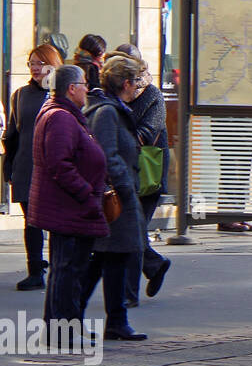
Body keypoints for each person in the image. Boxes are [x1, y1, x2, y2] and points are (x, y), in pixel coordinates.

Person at [28, 65, 107, 348]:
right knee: (67, 270)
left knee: (68, 269)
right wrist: (86, 193)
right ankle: (61, 331)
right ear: (72, 88)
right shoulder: (61, 117)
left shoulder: (64, 114)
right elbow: (59, 164)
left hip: (71, 207)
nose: (88, 89)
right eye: (84, 84)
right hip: (69, 207)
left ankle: (63, 328)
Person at [82, 55, 148, 341]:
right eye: (136, 81)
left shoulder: (110, 108)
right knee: (112, 258)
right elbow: (107, 154)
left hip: (116, 194)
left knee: (107, 259)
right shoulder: (108, 111)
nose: (138, 87)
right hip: (116, 197)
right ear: (125, 83)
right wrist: (124, 185)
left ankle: (110, 320)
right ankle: (111, 320)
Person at [107, 44, 170, 304]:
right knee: (132, 231)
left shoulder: (152, 95)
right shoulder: (114, 94)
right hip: (122, 171)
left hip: (147, 173)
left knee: (134, 231)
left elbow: (148, 131)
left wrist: (115, 139)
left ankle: (129, 293)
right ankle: (154, 265)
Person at [4, 44, 63, 290]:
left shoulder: (61, 94)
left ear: (53, 65)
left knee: (58, 223)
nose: (35, 68)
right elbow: (12, 134)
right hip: (26, 166)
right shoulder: (20, 95)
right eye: (32, 63)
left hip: (55, 168)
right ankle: (35, 270)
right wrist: (9, 166)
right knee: (32, 221)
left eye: (41, 63)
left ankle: (60, 269)